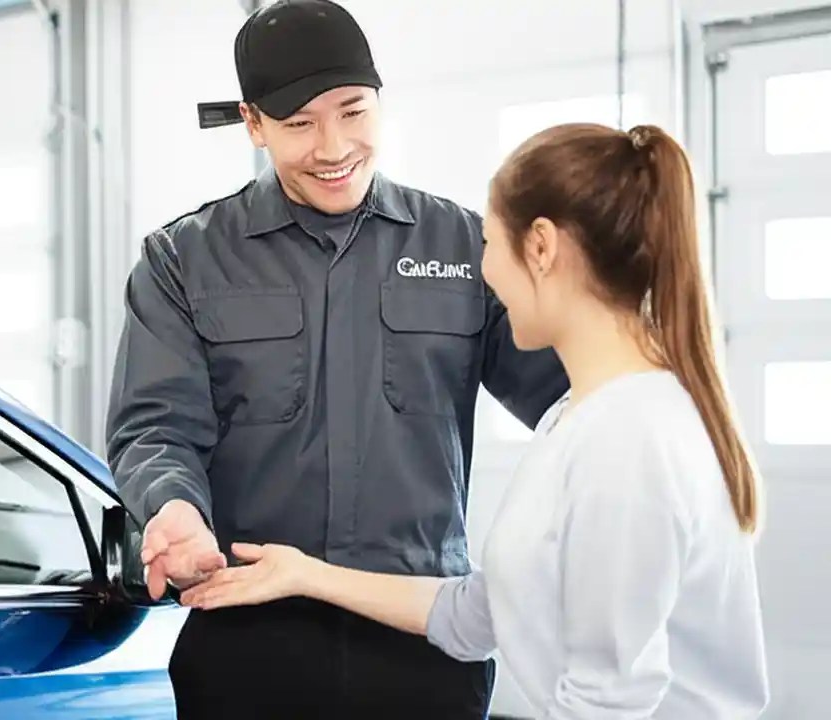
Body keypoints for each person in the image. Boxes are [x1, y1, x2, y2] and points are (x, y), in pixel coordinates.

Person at [179, 122, 772, 719]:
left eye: (489, 242)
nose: (480, 270)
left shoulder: (628, 440)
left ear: (540, 247)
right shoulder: (581, 419)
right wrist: (306, 575)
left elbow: (608, 703)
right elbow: (473, 616)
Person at [105, 0, 569, 716]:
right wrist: (172, 509)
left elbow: (573, 403)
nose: (332, 147)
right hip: (248, 647)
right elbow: (155, 427)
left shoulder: (467, 247)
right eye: (299, 124)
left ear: (380, 102)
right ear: (252, 123)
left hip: (423, 642)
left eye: (353, 112)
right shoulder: (183, 261)